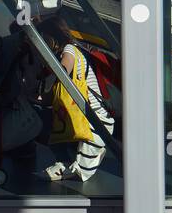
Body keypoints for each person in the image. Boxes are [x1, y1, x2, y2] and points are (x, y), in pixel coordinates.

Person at [35, 15, 114, 184]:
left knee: (81, 172)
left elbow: (62, 69)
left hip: (94, 122)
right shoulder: (78, 50)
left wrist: (44, 66)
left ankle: (71, 161)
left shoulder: (70, 49)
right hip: (91, 118)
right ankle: (67, 163)